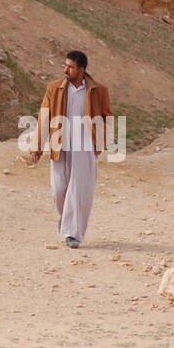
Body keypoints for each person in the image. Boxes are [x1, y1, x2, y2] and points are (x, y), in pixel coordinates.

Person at [26, 51, 113, 248]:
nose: (66, 69)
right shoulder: (54, 88)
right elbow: (44, 116)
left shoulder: (99, 91)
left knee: (79, 189)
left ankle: (73, 233)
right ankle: (66, 219)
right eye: (65, 65)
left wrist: (99, 143)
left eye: (71, 67)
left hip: (85, 145)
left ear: (82, 70)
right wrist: (38, 145)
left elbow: (107, 117)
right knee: (58, 190)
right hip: (61, 142)